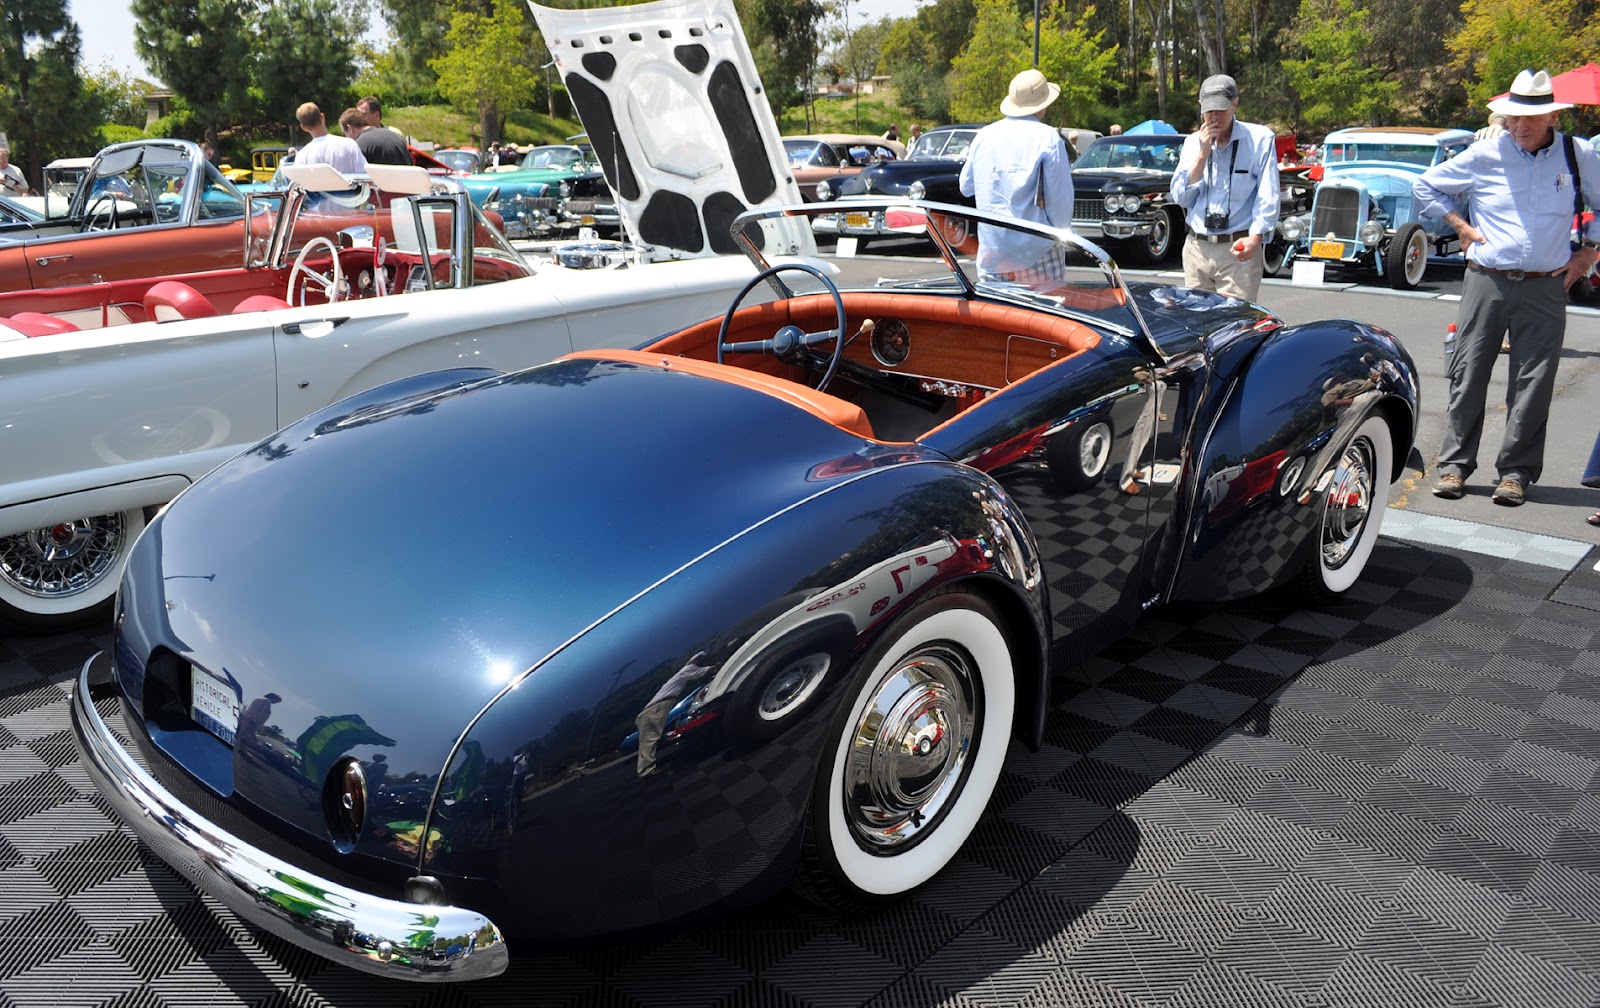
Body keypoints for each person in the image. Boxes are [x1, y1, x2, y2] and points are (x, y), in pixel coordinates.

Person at [1415, 69, 1600, 507]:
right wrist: (1460, 225)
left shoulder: (1578, 154)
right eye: (1513, 117)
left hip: (1546, 286)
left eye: (1531, 118)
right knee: (1468, 372)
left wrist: (1589, 252)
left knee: (1534, 382)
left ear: (1553, 116)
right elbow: (1426, 186)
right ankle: (1455, 466)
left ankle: (1516, 473)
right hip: (1486, 279)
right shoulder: (1486, 153)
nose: (1521, 126)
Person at [958, 68, 1075, 284]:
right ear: (1044, 104)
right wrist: (1063, 233)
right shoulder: (1048, 137)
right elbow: (1061, 205)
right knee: (1041, 315)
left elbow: (965, 187)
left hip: (992, 251)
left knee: (996, 315)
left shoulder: (985, 135)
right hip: (1036, 250)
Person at [1169, 74, 1280, 302]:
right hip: (1197, 248)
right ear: (1201, 107)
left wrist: (1255, 238)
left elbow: (1267, 194)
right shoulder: (1192, 143)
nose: (1214, 117)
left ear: (1235, 104)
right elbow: (1181, 197)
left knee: (1234, 327)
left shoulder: (1259, 139)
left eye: (1221, 110)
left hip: (1237, 249)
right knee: (1197, 324)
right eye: (1209, 111)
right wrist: (1202, 155)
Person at [293, 101, 367, 175]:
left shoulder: (302, 156)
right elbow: (364, 175)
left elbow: (297, 183)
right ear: (322, 117)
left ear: (303, 127)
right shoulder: (349, 144)